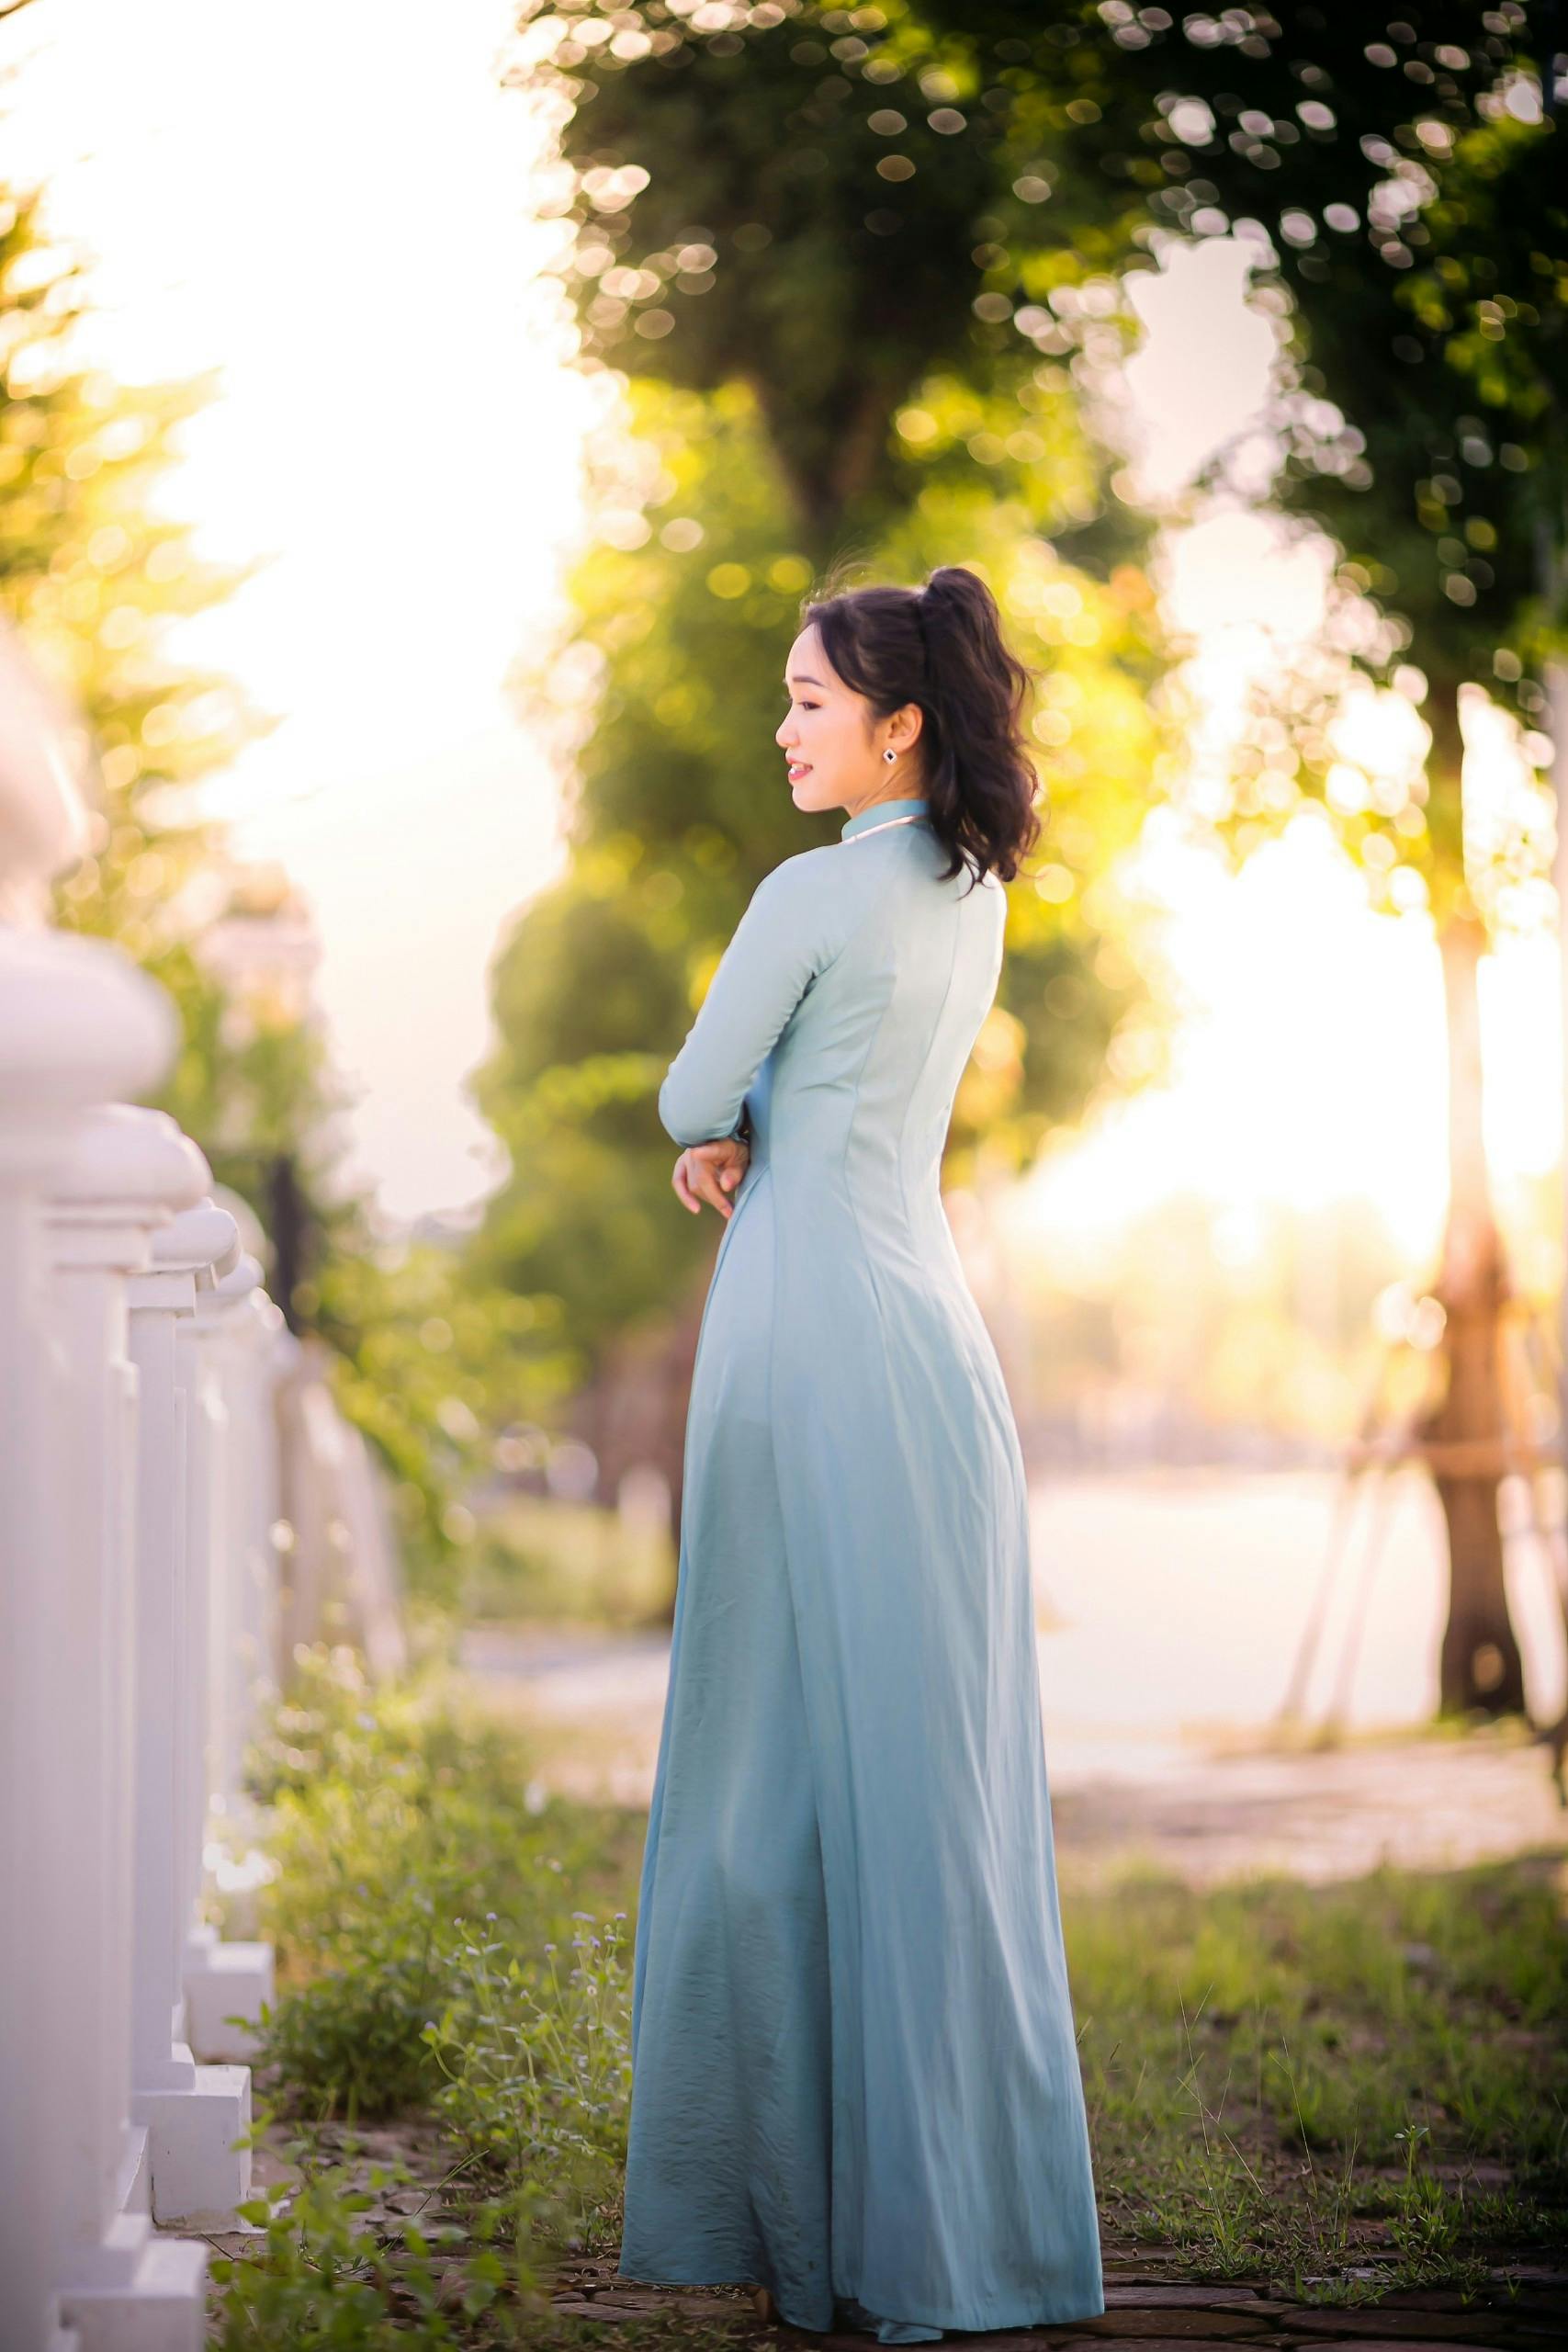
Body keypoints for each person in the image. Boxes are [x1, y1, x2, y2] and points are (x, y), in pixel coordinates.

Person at [615, 565, 1104, 2344]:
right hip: (930, 1342)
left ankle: (796, 2219)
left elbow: (690, 1092)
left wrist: (725, 1130)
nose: (784, 725)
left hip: (799, 1336)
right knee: (928, 1795)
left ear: (896, 720)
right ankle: (965, 2235)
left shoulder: (805, 894)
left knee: (763, 1784)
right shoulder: (968, 895)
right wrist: (765, 1119)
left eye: (810, 699)